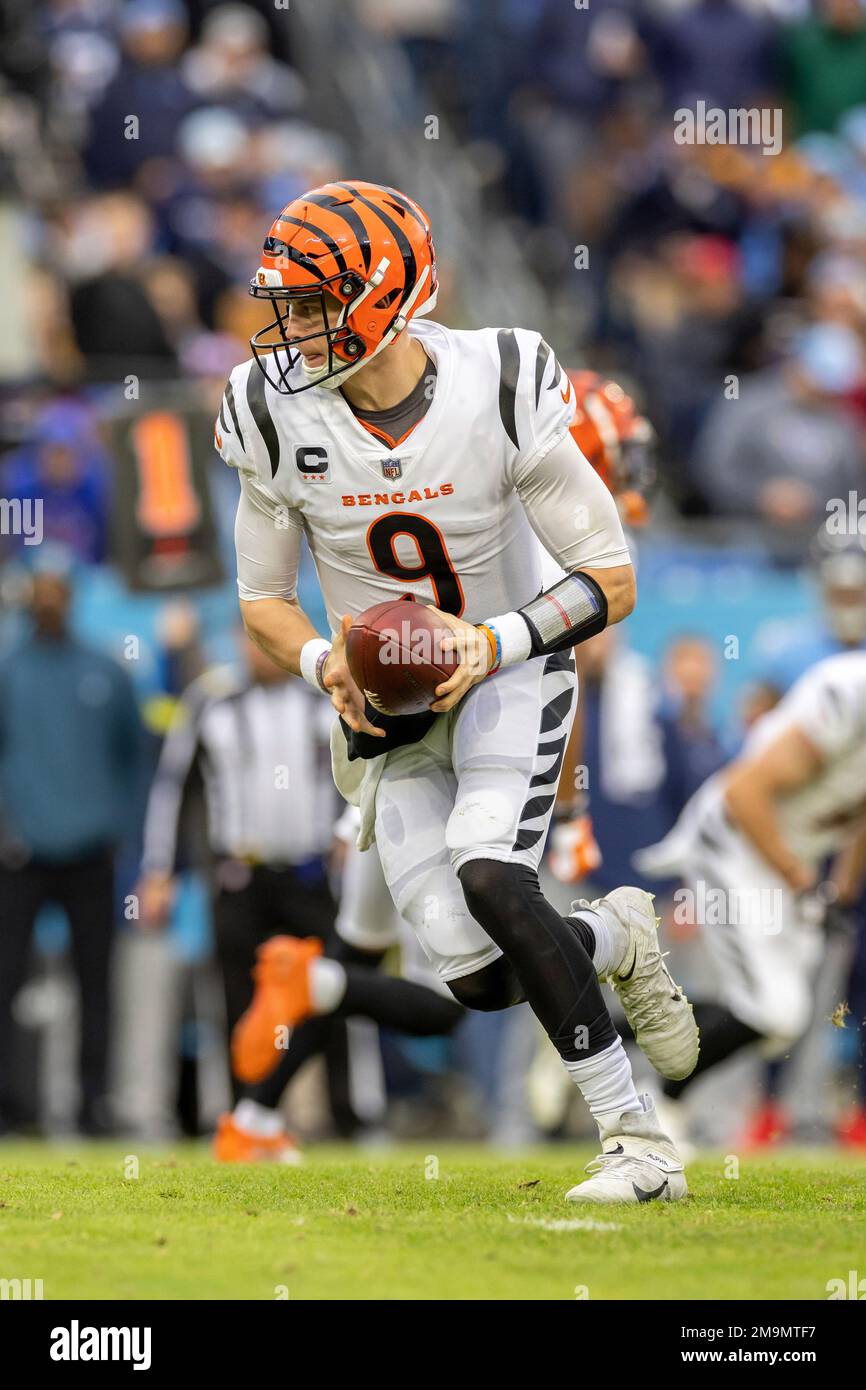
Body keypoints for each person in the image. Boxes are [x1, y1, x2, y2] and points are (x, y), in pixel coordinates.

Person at [216, 179, 698, 1203]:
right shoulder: (267, 411)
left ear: (383, 292)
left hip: (509, 671)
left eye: (311, 303)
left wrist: (488, 642)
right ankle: (614, 935)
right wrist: (323, 663)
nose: (290, 329)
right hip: (388, 712)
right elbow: (259, 600)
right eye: (287, 305)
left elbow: (609, 577)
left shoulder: (503, 375)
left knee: (490, 872)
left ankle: (635, 1142)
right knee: (471, 976)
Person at [635, 651, 866, 1145]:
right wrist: (800, 878)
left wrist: (840, 891)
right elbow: (745, 793)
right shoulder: (849, 696)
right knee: (772, 1010)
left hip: (785, 858)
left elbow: (858, 814)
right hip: (737, 842)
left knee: (780, 1024)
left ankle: (608, 1024)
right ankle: (661, 1103)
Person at [0, 564, 143, 1135]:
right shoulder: (8, 671)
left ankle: (92, 1106)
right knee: (6, 981)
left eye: (58, 592)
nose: (49, 601)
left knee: (98, 985)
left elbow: (134, 758)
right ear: (30, 597)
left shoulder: (106, 669)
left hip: (91, 853)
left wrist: (118, 830)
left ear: (72, 597)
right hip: (20, 855)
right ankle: (12, 1107)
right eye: (42, 592)